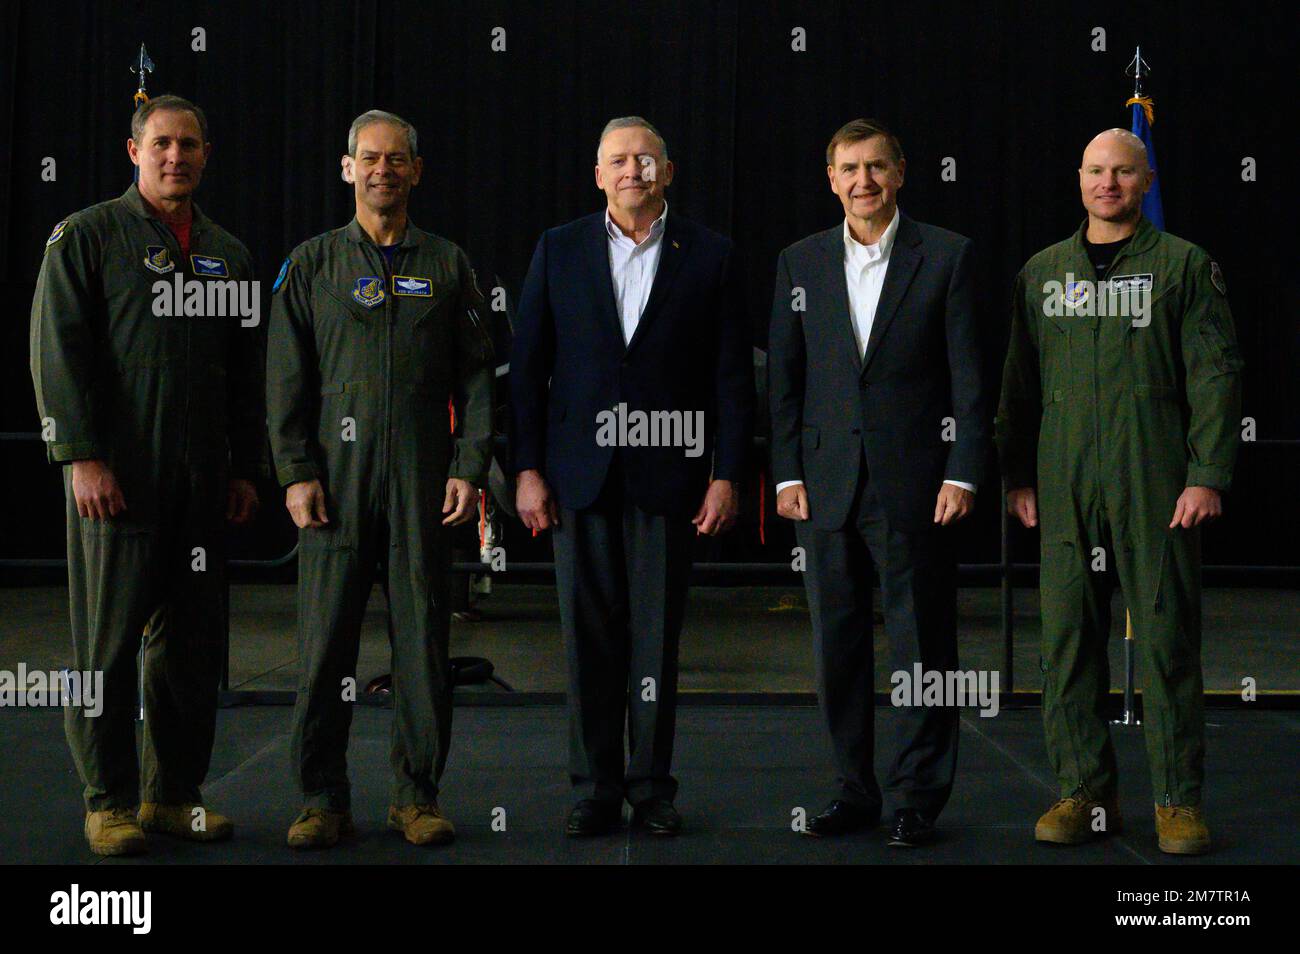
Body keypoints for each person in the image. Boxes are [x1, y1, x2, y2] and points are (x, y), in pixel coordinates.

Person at [29, 94, 266, 855]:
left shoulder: (228, 254)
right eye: (161, 144)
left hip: (201, 482)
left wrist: (242, 466)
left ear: (205, 154)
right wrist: (81, 455)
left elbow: (243, 374)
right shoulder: (87, 236)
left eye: (189, 144)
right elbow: (55, 350)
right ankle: (107, 801)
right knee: (107, 646)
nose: (176, 157)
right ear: (134, 152)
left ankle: (173, 796)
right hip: (119, 481)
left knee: (192, 648)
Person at [997, 128, 1243, 855]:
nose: (1109, 183)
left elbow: (1216, 374)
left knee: (1166, 640)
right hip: (1065, 478)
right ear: (1079, 179)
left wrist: (1206, 474)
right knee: (1068, 643)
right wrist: (1016, 474)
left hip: (1154, 478)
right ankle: (1082, 792)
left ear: (1146, 180)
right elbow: (1019, 382)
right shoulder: (1045, 273)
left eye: (1124, 172)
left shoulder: (1182, 267)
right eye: (1098, 171)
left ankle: (1177, 800)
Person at [510, 116, 752, 836]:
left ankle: (650, 788)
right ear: (598, 175)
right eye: (618, 160)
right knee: (587, 642)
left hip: (668, 477)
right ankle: (593, 787)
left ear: (668, 173)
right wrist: (524, 469)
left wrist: (727, 473)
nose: (633, 171)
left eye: (646, 160)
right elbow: (527, 373)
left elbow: (732, 378)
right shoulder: (558, 249)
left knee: (655, 641)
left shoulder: (711, 255)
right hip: (576, 477)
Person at [267, 110, 492, 849]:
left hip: (422, 481)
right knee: (325, 644)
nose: (383, 171)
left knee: (423, 641)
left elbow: (478, 377)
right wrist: (295, 471)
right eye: (370, 158)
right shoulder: (312, 265)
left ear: (416, 171)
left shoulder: (449, 264)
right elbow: (284, 381)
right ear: (348, 167)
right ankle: (321, 799)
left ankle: (415, 795)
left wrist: (470, 465)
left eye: (397, 160)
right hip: (335, 482)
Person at [768, 119, 990, 847]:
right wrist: (786, 472)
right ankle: (854, 790)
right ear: (830, 179)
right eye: (849, 169)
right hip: (824, 485)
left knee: (923, 646)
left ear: (900, 173)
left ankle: (916, 798)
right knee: (837, 648)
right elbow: (787, 382)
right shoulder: (798, 263)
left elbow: (969, 378)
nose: (863, 181)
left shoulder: (948, 257)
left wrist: (963, 470)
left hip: (920, 484)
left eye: (876, 167)